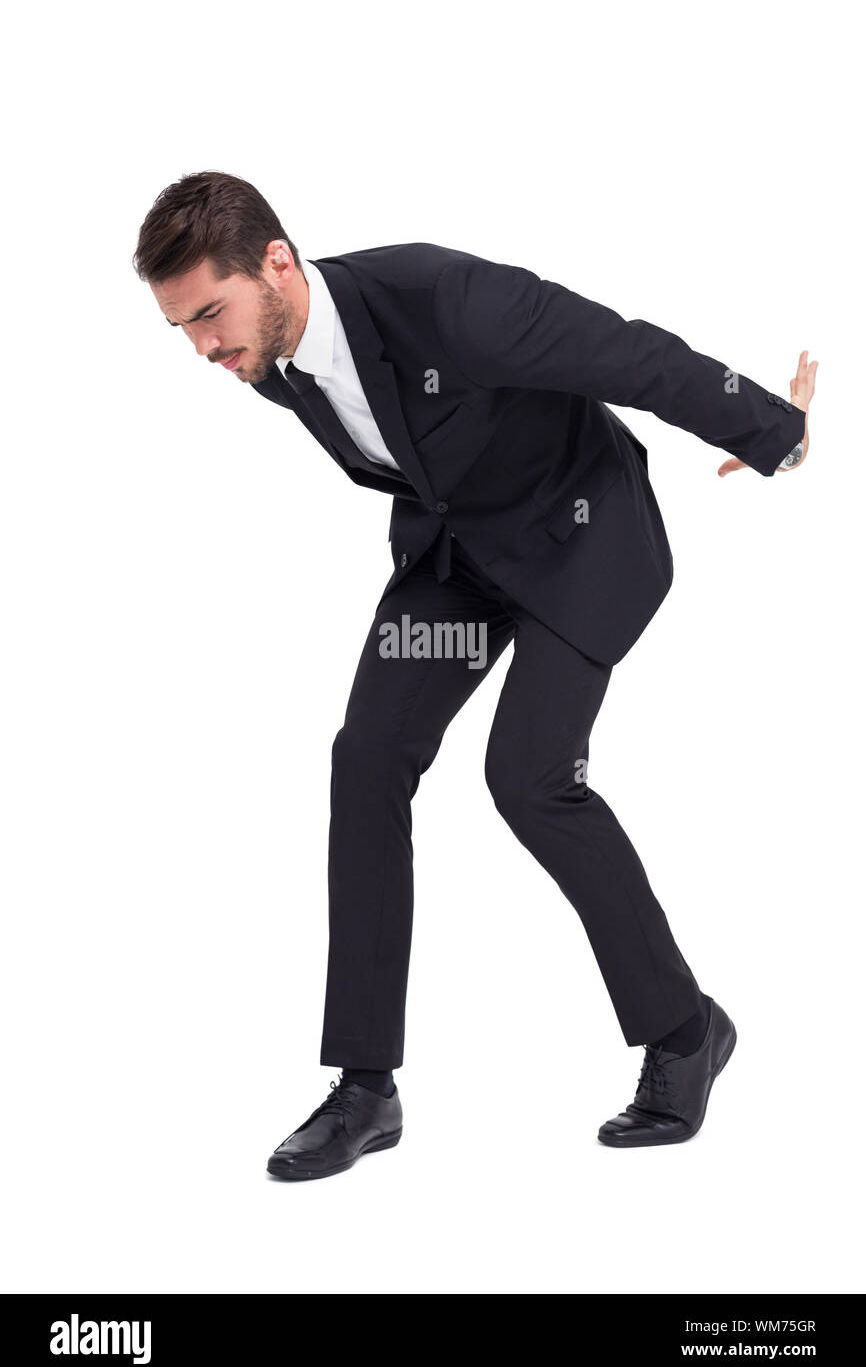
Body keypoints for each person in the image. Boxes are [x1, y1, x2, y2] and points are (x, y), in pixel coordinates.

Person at [133, 171, 817, 1179]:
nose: (201, 348)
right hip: (458, 569)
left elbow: (619, 349)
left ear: (275, 262)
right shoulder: (269, 356)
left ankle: (682, 1031)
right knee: (367, 759)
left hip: (580, 548)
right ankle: (366, 1087)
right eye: (180, 328)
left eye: (207, 314)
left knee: (527, 774)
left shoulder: (446, 303)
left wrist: (768, 428)